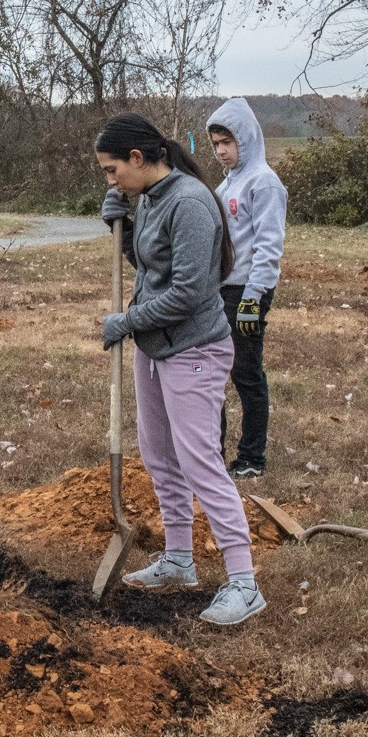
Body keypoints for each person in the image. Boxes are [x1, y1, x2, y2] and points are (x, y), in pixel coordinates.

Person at [98, 113, 265, 626]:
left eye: (110, 171)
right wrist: (120, 228)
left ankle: (244, 583)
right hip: (157, 347)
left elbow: (190, 291)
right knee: (159, 455)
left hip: (193, 348)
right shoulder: (149, 199)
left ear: (137, 158)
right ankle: (178, 561)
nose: (110, 180)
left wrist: (127, 320)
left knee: (200, 463)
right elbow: (156, 269)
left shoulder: (190, 202)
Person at [206, 99, 288, 479]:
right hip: (221, 291)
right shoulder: (226, 185)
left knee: (246, 373)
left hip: (247, 293)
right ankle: (212, 452)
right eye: (216, 143)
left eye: (228, 141)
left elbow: (269, 245)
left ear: (247, 139)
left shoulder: (264, 182)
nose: (222, 150)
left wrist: (254, 298)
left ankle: (252, 457)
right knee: (213, 372)